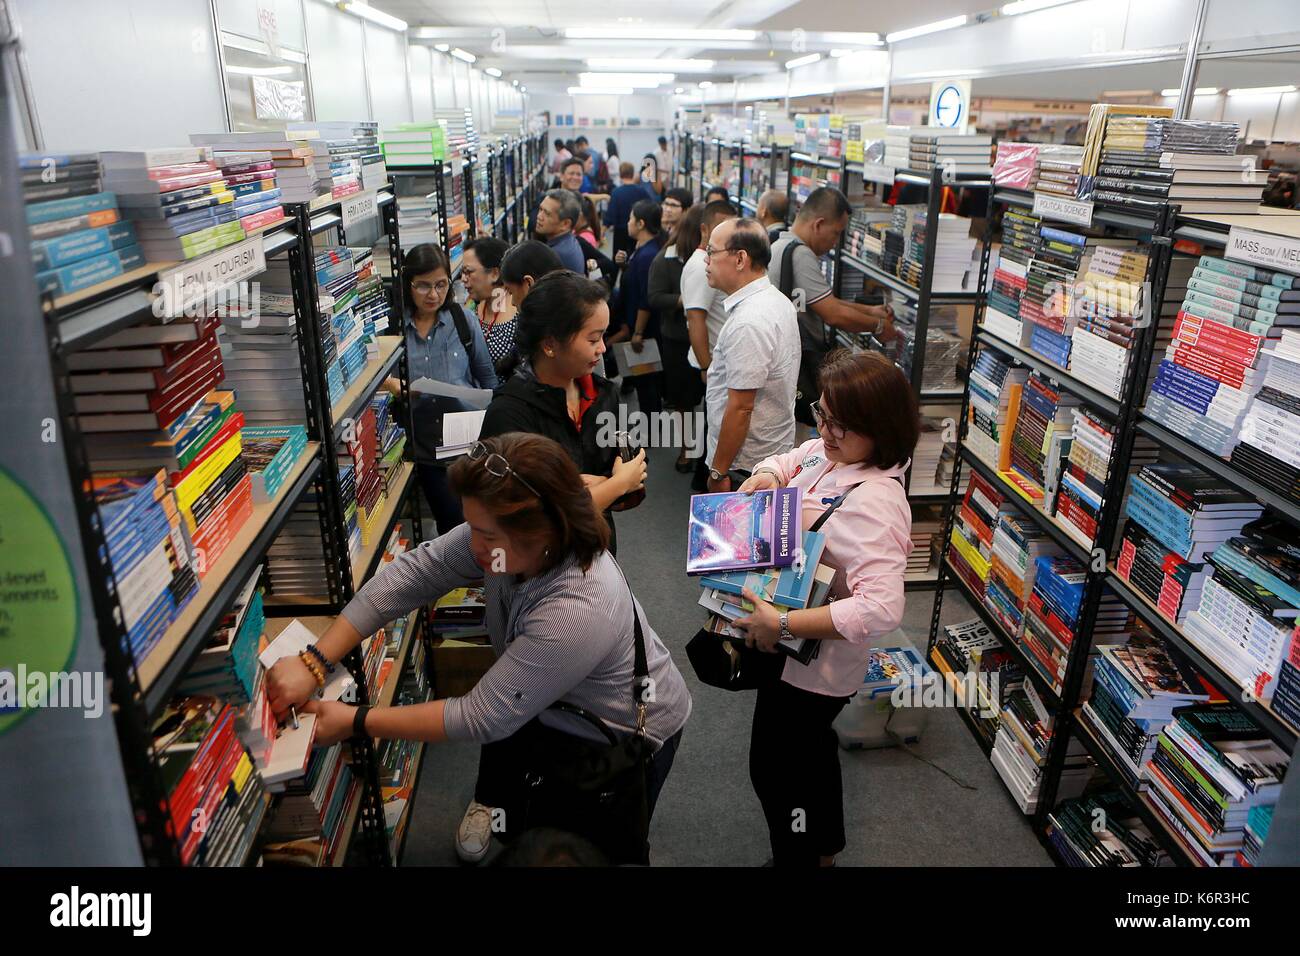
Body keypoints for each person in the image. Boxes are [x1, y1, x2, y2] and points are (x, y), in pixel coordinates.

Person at [268, 432, 691, 865]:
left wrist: (356, 721)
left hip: (620, 730)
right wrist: (315, 661)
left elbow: (480, 715)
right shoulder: (510, 545)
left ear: (542, 529)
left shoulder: (576, 608)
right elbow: (421, 571)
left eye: (486, 535)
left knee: (588, 848)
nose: (474, 547)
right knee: (532, 823)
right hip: (558, 712)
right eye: (472, 527)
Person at [733, 349, 918, 867]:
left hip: (812, 667)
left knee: (774, 768)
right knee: (811, 756)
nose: (827, 431)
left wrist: (783, 622)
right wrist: (769, 475)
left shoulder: (876, 502)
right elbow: (798, 456)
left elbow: (881, 609)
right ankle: (823, 849)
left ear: (880, 428)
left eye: (844, 424)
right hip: (790, 648)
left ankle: (797, 857)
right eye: (823, 414)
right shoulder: (832, 453)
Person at [480, 270, 648, 531]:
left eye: (603, 336)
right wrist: (615, 484)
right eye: (593, 339)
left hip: (597, 550)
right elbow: (529, 519)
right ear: (550, 344)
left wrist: (616, 484)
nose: (602, 348)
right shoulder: (509, 415)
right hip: (542, 567)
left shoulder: (603, 394)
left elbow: (632, 474)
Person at [387, 243, 497, 533]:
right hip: (425, 450)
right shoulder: (392, 329)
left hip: (471, 447)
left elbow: (488, 379)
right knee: (451, 528)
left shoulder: (462, 320)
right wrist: (391, 384)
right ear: (407, 284)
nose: (433, 294)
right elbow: (368, 379)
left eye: (441, 284)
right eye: (423, 286)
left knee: (483, 524)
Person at [768, 187, 896, 427]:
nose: (835, 242)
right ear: (818, 224)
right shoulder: (800, 254)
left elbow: (824, 301)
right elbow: (833, 314)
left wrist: (869, 311)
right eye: (835, 233)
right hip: (796, 366)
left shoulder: (780, 244)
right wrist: (877, 325)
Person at [700, 217, 798, 492]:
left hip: (745, 468)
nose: (706, 261)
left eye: (711, 252)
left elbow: (741, 407)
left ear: (740, 258)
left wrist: (718, 473)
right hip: (768, 455)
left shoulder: (749, 321)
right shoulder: (775, 300)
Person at [680, 199, 737, 490]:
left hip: (713, 361)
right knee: (713, 425)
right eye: (720, 227)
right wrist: (707, 366)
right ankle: (703, 483)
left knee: (710, 425)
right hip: (709, 361)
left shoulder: (711, 263)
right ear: (704, 229)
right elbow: (695, 319)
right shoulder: (701, 267)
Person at [648, 194, 704, 472]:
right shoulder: (665, 259)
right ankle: (686, 449)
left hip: (709, 339)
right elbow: (654, 297)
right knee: (683, 402)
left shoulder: (713, 258)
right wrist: (685, 301)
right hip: (678, 341)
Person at [622, 199, 668, 416]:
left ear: (640, 223)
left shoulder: (648, 255)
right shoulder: (643, 249)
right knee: (642, 379)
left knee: (646, 382)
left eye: (630, 218)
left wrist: (638, 332)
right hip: (641, 328)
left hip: (645, 331)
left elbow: (645, 298)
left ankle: (650, 427)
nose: (627, 222)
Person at [461, 236, 517, 376]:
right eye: (462, 272)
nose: (463, 278)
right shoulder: (473, 306)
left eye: (469, 271)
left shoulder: (517, 315)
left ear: (494, 274)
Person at [604, 161, 655, 264]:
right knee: (634, 258)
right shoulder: (641, 191)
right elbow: (651, 208)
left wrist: (601, 232)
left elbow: (610, 217)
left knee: (617, 259)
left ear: (620, 174)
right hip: (639, 231)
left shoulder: (616, 192)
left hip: (620, 232)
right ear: (633, 174)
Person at [534, 188, 587, 275]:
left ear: (565, 224)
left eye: (547, 213)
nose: (539, 216)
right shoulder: (568, 242)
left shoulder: (556, 255)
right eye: (540, 209)